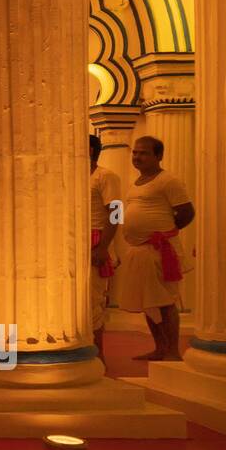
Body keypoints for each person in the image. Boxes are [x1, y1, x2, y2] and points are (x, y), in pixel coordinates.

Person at [111, 135, 193, 361]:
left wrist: (165, 232)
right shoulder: (135, 183)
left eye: (143, 153)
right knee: (149, 303)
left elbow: (187, 212)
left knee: (165, 302)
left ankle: (173, 352)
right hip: (140, 251)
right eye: (135, 153)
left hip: (160, 251)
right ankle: (160, 349)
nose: (137, 157)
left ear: (158, 156)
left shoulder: (168, 180)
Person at [88, 134, 122, 360]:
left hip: (97, 241)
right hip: (74, 242)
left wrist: (103, 247)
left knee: (94, 299)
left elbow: (116, 213)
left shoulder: (106, 176)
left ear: (90, 150)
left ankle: (98, 356)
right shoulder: (72, 177)